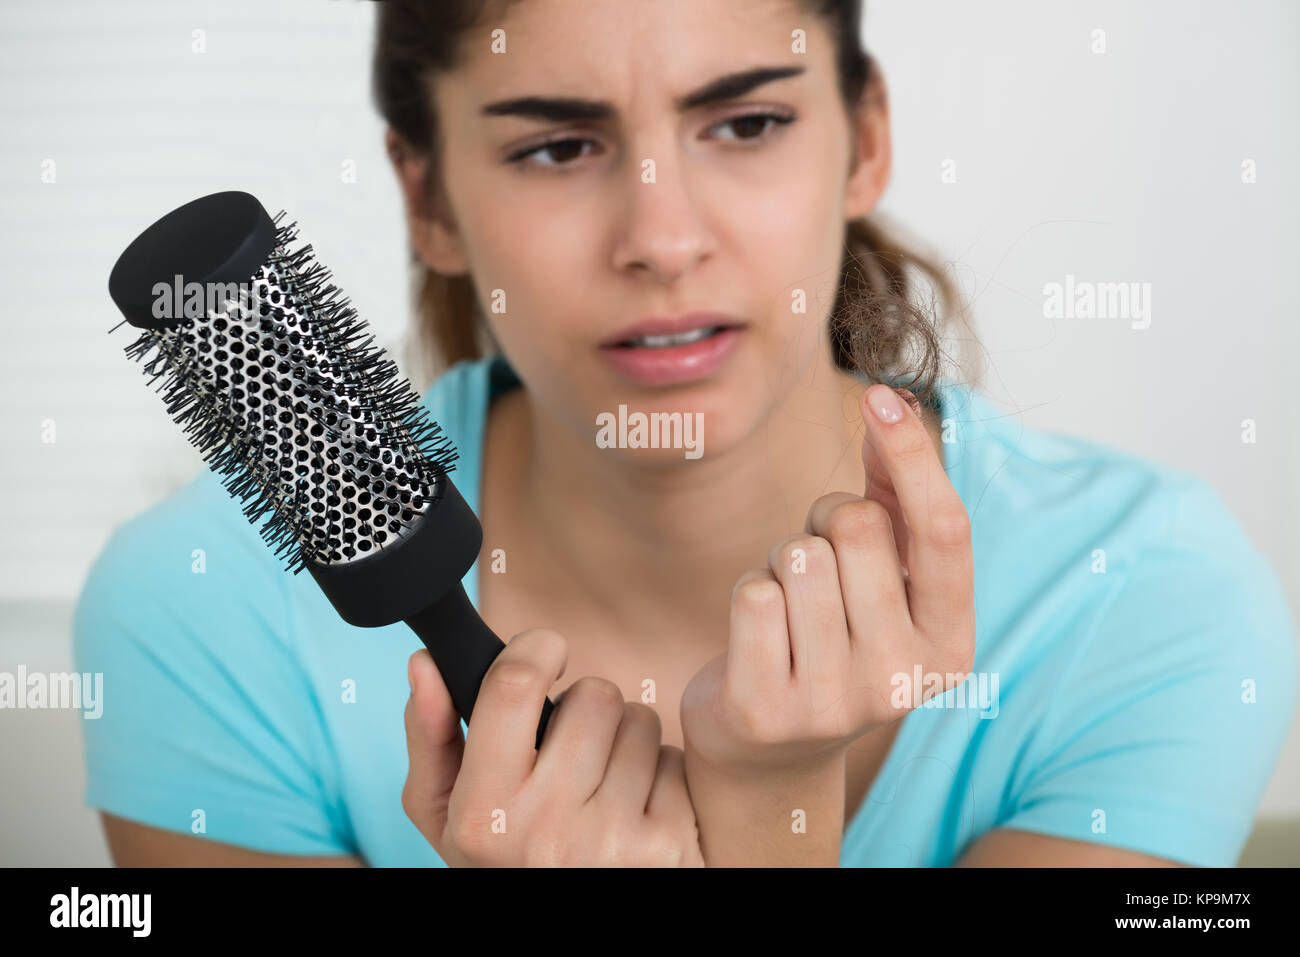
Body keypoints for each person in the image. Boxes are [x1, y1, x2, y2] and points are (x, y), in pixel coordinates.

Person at [75, 0, 1296, 866]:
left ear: (864, 140)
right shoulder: (201, 621)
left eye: (745, 123)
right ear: (428, 201)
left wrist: (775, 817)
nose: (660, 237)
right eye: (556, 146)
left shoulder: (1148, 605)